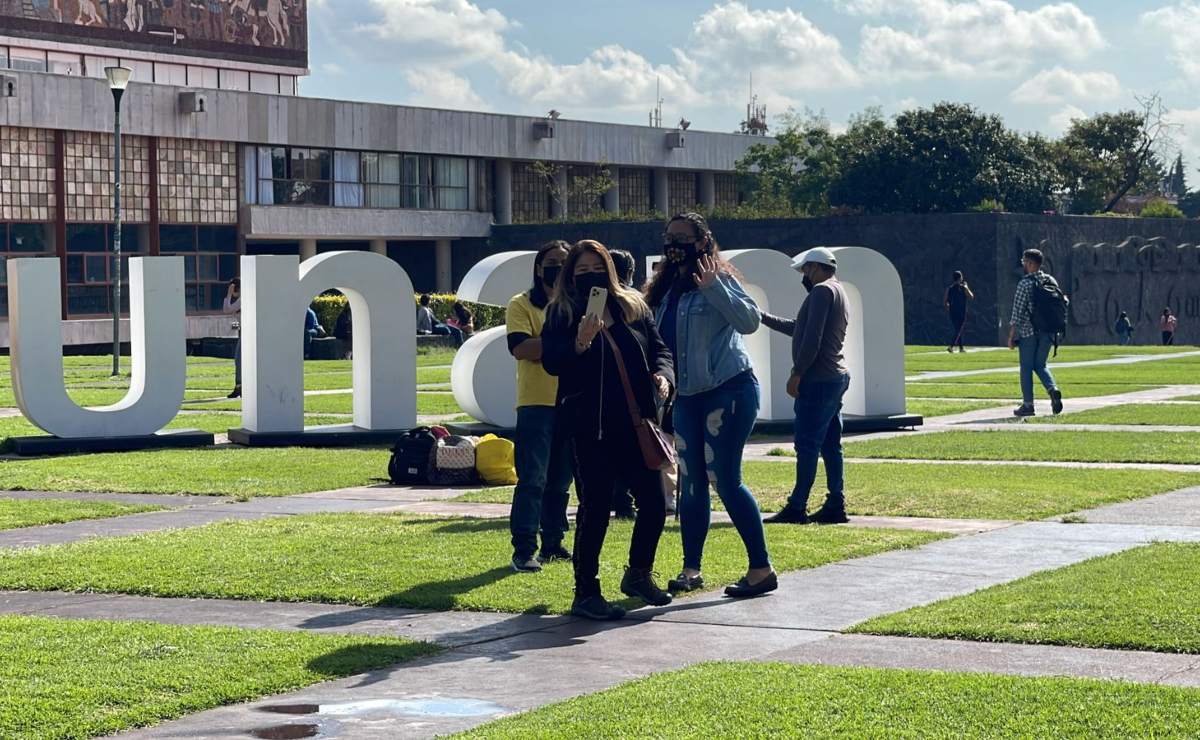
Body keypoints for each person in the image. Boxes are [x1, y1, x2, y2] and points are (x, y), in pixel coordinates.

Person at [644, 213, 776, 598]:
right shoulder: (664, 288)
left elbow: (749, 321)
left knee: (725, 479)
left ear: (703, 241)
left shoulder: (720, 279)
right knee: (691, 482)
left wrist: (714, 287)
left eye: (682, 237)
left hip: (728, 390)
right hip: (687, 397)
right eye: (669, 236)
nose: (674, 244)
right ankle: (691, 568)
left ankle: (761, 568)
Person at [542, 240, 675, 620]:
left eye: (597, 270)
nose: (591, 277)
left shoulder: (633, 306)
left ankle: (639, 573)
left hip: (635, 423)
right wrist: (580, 342)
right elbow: (553, 362)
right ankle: (586, 592)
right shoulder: (561, 312)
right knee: (595, 508)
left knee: (654, 504)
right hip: (589, 428)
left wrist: (663, 377)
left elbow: (660, 350)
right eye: (582, 271)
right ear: (570, 276)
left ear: (611, 271)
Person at [762, 247, 852, 526]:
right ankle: (835, 503)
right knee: (831, 444)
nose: (804, 275)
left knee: (807, 445)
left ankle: (797, 505)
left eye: (805, 269)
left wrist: (797, 373)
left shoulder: (821, 292)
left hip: (818, 379)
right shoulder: (838, 290)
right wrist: (762, 316)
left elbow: (811, 338)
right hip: (835, 377)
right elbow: (798, 327)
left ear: (816, 267)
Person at [505, 241, 574, 573]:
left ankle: (553, 543)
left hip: (571, 401)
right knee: (533, 478)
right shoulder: (521, 304)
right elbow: (521, 348)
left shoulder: (576, 303)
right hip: (536, 403)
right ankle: (524, 549)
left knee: (561, 480)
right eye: (552, 262)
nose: (558, 268)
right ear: (538, 268)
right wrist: (568, 343)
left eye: (564, 261)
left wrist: (552, 345)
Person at [1007, 249, 1064, 417]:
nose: (1023, 265)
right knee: (1040, 365)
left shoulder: (1024, 283)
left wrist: (1011, 336)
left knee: (1026, 367)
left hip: (1029, 332)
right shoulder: (1051, 280)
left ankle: (1028, 405)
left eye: (1024, 262)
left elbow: (1017, 312)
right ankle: (1053, 390)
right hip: (1048, 332)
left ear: (1031, 263)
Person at [608, 249, 640, 520]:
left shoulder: (592, 300)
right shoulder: (637, 300)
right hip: (633, 386)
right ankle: (625, 501)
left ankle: (620, 499)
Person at [944, 271, 975, 353]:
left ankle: (961, 348)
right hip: (961, 312)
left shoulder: (949, 288)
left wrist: (948, 307)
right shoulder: (963, 288)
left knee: (958, 329)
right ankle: (951, 346)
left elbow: (945, 301)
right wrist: (967, 287)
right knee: (958, 329)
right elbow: (971, 296)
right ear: (960, 278)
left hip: (952, 312)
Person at [223, 278, 241, 399]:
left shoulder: (242, 299)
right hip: (243, 332)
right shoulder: (241, 300)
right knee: (239, 360)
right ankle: (240, 386)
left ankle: (239, 387)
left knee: (239, 360)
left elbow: (226, 310)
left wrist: (228, 295)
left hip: (247, 332)